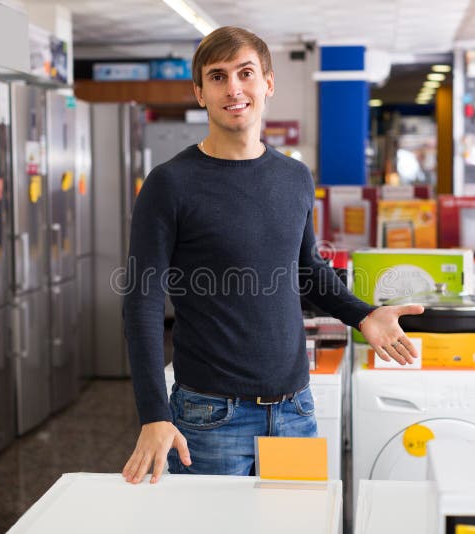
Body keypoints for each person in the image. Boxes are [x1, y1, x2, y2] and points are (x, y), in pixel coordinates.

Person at [121, 26, 423, 485]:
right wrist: (153, 414)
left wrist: (364, 316)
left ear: (268, 83)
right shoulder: (170, 183)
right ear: (200, 92)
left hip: (295, 410)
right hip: (210, 415)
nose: (234, 88)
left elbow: (308, 271)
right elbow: (141, 305)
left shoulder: (295, 177)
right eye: (218, 77)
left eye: (245, 73)